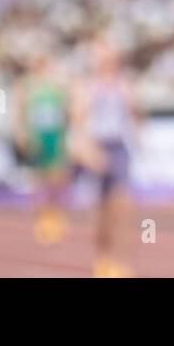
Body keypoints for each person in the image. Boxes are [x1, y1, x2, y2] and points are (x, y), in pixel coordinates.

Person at [72, 38, 141, 278]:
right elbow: (78, 122)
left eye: (113, 59)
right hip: (97, 146)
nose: (110, 63)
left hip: (119, 146)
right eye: (104, 59)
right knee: (102, 210)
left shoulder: (124, 84)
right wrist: (87, 150)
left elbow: (135, 113)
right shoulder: (88, 86)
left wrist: (141, 139)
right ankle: (102, 257)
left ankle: (120, 260)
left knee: (122, 207)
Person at [17, 51, 72, 245]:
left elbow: (66, 109)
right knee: (40, 178)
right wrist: (22, 132)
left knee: (58, 176)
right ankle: (41, 219)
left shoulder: (55, 84)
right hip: (37, 135)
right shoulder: (27, 85)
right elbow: (20, 110)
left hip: (54, 135)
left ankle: (54, 214)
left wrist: (67, 131)